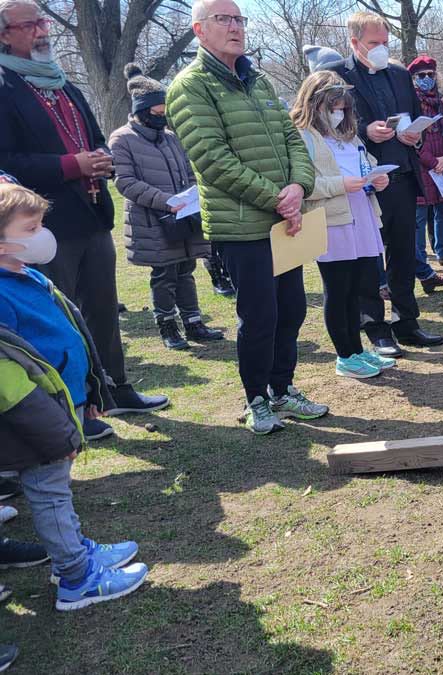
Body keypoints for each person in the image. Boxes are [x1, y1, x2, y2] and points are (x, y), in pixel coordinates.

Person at [0, 0, 169, 437]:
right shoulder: (4, 85)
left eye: (43, 21)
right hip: (42, 226)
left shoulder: (62, 82)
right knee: (59, 320)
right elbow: (6, 160)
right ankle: (70, 408)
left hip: (92, 216)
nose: (43, 30)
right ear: (5, 35)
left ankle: (116, 389)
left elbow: (94, 137)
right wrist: (71, 165)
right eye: (31, 24)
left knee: (102, 311)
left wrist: (102, 159)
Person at [168, 0, 328, 434]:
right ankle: (256, 397)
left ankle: (283, 388)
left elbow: (292, 139)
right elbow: (212, 159)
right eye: (224, 19)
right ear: (200, 30)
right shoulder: (190, 86)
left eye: (239, 18)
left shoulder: (257, 80)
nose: (236, 26)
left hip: (284, 220)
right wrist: (277, 197)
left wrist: (298, 186)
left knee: (291, 309)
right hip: (241, 225)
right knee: (259, 316)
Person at [0, 183, 152, 611]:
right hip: (35, 414)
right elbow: (12, 377)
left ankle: (73, 551)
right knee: (48, 491)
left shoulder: (26, 273)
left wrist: (88, 389)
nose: (43, 234)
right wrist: (51, 423)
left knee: (56, 490)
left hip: (59, 403)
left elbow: (68, 334)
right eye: (32, 227)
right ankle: (76, 577)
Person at [334, 12, 443, 356]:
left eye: (386, 42)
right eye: (374, 44)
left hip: (401, 176)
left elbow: (413, 117)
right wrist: (363, 131)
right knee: (369, 257)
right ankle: (375, 326)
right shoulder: (337, 76)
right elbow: (326, 127)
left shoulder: (399, 74)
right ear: (354, 43)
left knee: (403, 253)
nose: (382, 49)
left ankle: (407, 322)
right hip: (363, 182)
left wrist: (414, 136)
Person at [109, 63, 225, 351]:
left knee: (186, 270)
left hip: (183, 216)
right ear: (141, 111)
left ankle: (194, 322)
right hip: (153, 221)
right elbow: (125, 182)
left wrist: (194, 194)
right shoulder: (122, 139)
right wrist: (165, 201)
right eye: (157, 113)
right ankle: (167, 325)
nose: (162, 117)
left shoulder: (172, 137)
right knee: (164, 275)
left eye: (165, 112)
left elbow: (188, 171)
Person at [290, 70, 396, 379]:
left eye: (343, 105)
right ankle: (345, 356)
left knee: (359, 288)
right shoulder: (302, 135)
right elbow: (304, 184)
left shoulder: (348, 135)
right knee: (338, 289)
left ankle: (358, 350)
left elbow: (366, 165)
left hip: (361, 213)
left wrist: (378, 177)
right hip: (331, 220)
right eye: (333, 104)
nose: (340, 110)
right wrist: (341, 184)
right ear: (316, 102)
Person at [408, 54, 443, 281]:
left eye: (430, 75)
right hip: (423, 167)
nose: (426, 79)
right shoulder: (411, 105)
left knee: (442, 212)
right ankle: (420, 259)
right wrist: (431, 161)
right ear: (413, 78)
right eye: (421, 76)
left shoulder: (442, 103)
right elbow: (412, 140)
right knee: (420, 216)